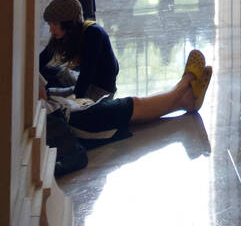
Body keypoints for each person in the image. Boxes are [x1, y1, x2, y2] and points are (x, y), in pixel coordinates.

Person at [41, 49, 213, 178]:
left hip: (71, 114)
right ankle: (184, 86)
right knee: (134, 106)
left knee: (133, 110)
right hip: (75, 121)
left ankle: (184, 100)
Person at [39, 0, 119, 101]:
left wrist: (49, 94)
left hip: (99, 92)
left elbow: (85, 77)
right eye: (50, 24)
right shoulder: (67, 33)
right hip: (83, 80)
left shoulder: (93, 34)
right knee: (46, 72)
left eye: (54, 24)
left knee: (47, 94)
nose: (51, 30)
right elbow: (43, 59)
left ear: (68, 23)